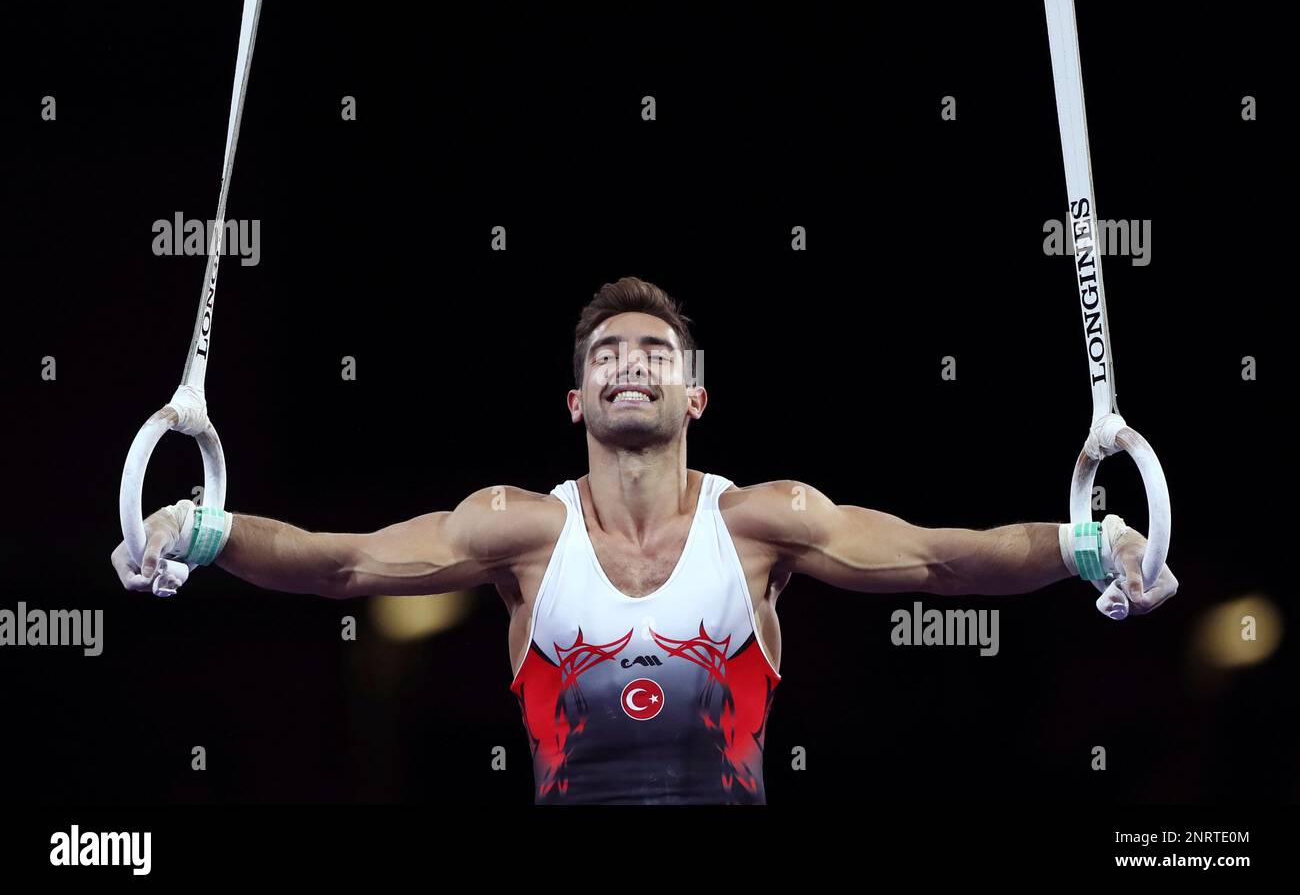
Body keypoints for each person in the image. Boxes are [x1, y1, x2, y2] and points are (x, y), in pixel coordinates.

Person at [110, 276, 1177, 804]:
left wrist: (1090, 544)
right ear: (576, 398)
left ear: (695, 393)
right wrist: (200, 529)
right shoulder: (518, 531)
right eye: (610, 352)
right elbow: (339, 563)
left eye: (657, 352)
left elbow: (947, 560)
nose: (632, 362)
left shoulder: (762, 524)